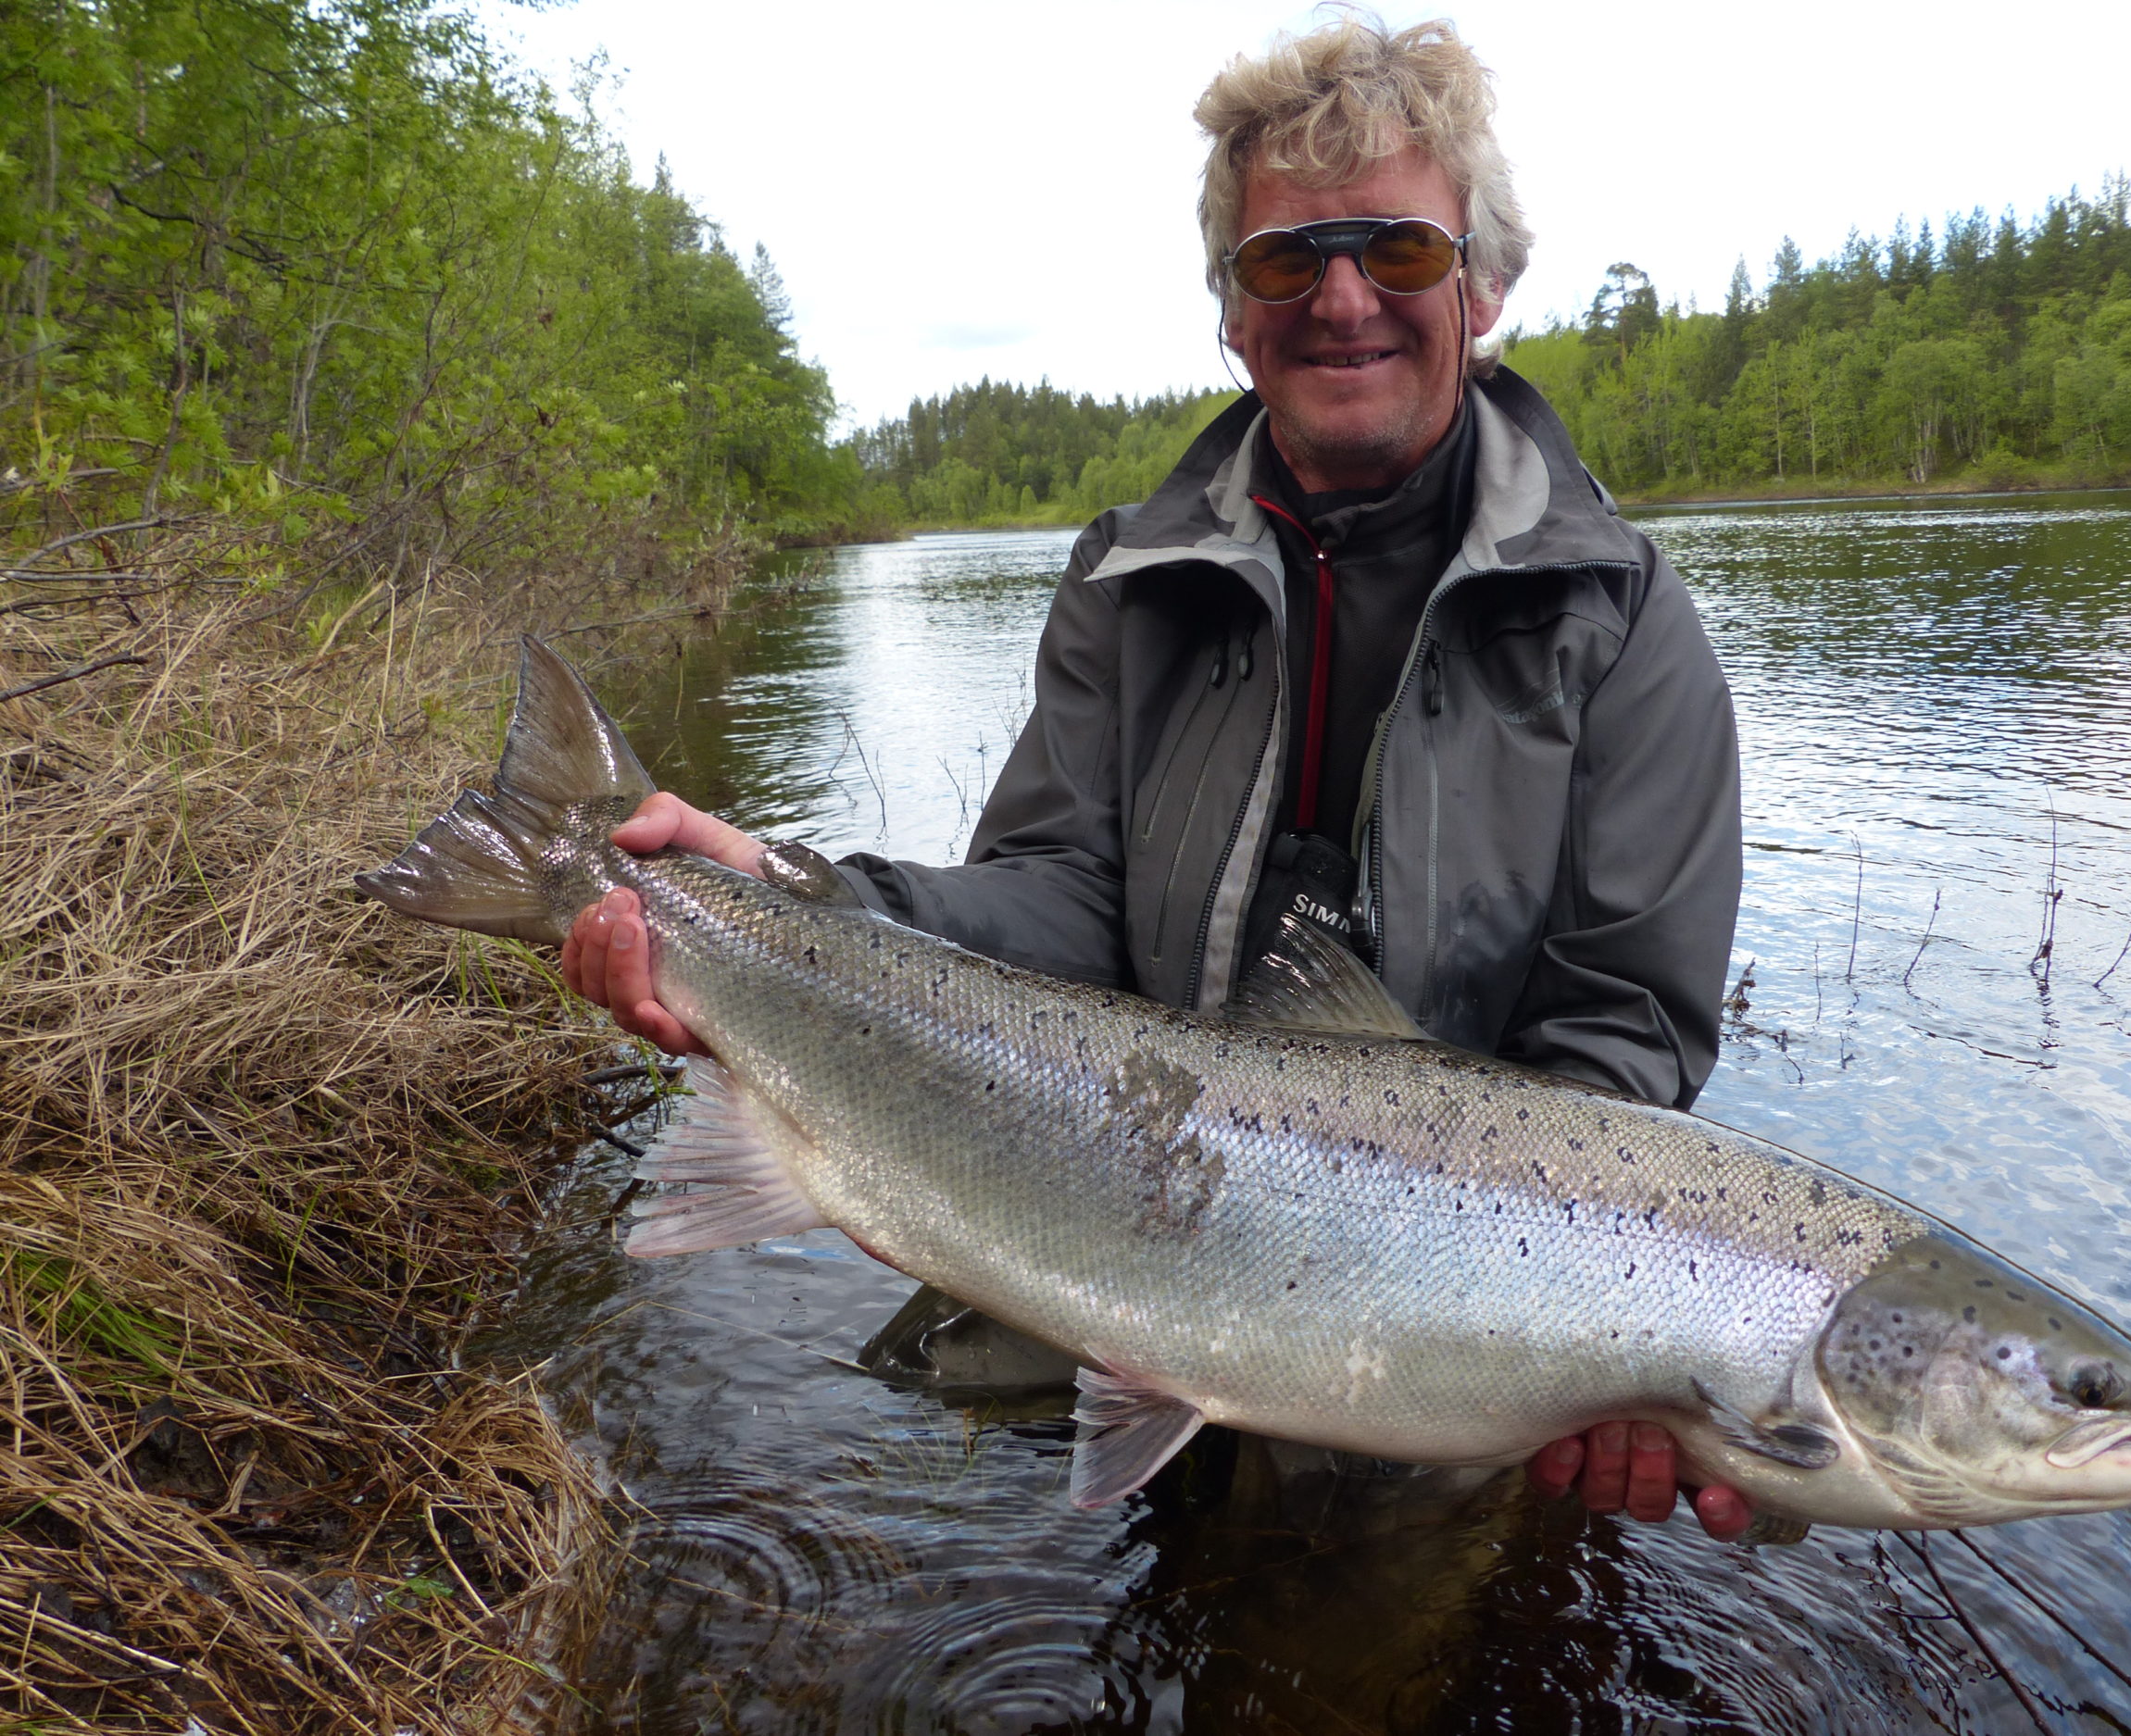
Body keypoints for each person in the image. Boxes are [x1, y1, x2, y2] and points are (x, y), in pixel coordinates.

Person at [560, 16, 1751, 1541]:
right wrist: (805, 899)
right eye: (1284, 261)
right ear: (1233, 316)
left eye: (1397, 250)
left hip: (1447, 1318)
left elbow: (1622, 1036)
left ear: (1483, 288)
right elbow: (1061, 896)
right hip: (1126, 1211)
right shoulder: (1128, 578)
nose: (1341, 300)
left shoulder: (1622, 618)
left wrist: (1597, 1348)